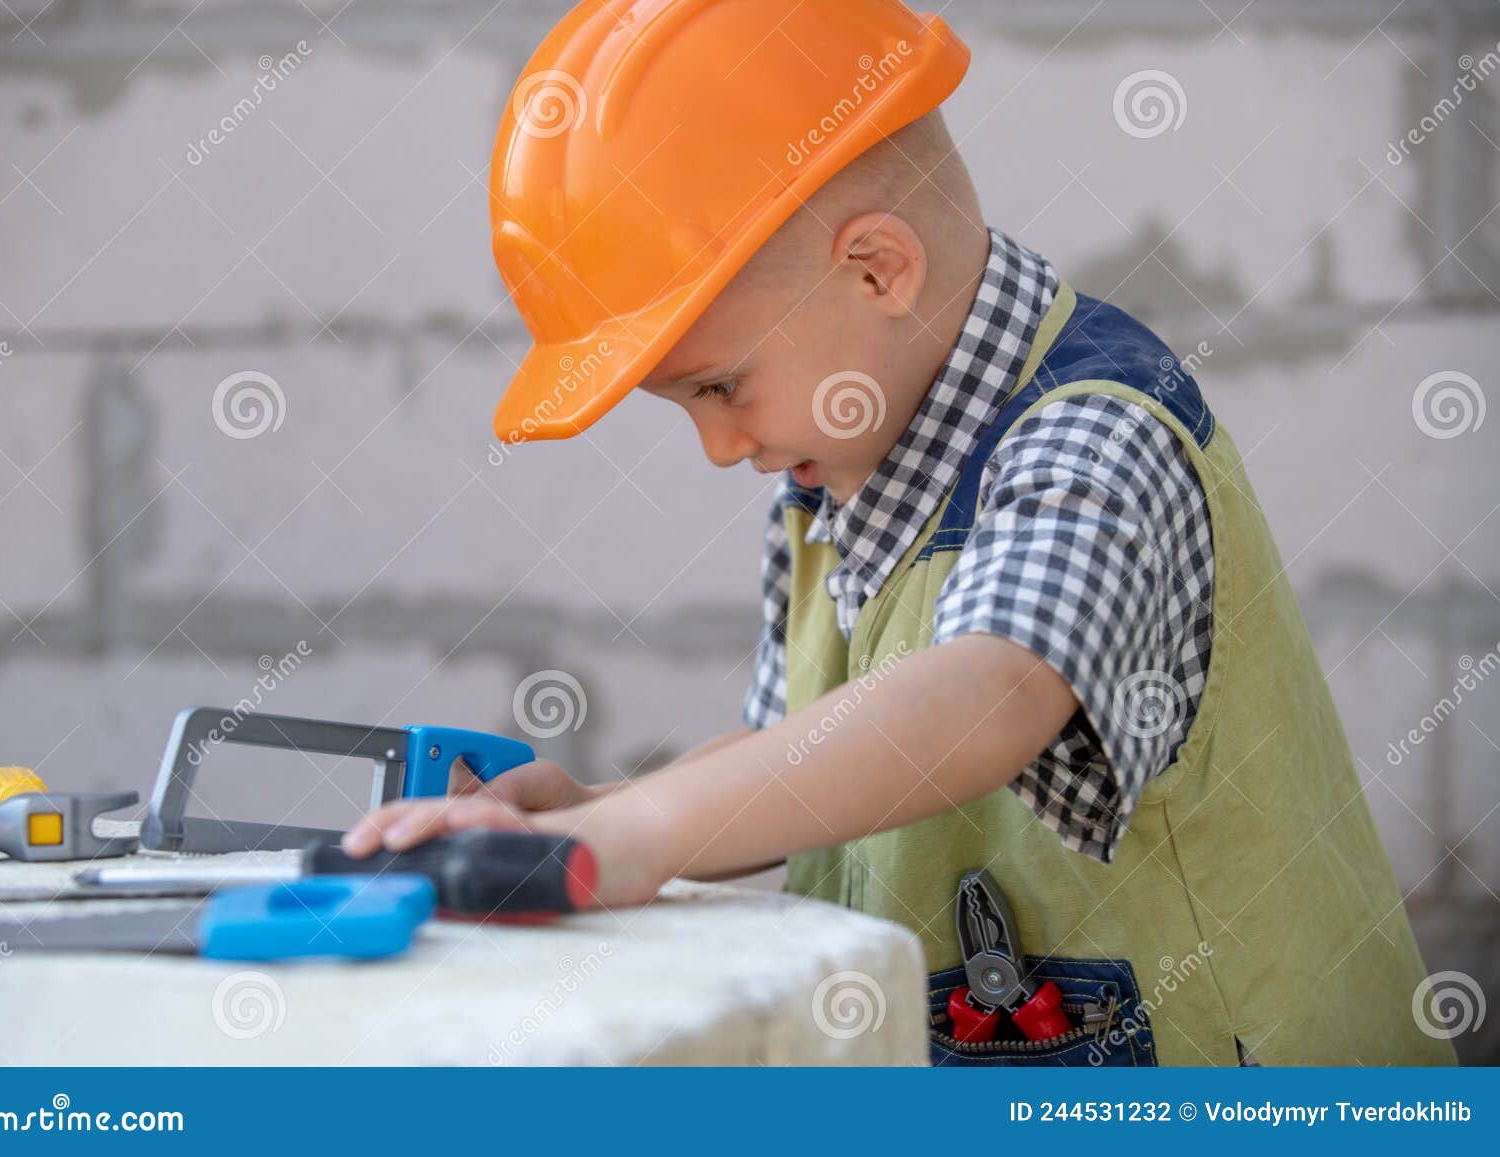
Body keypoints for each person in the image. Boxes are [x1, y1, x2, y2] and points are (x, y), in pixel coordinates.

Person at [344, 0, 1453, 1066]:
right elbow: (820, 745)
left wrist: (637, 844)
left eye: (720, 385)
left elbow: (984, 695)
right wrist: (608, 809)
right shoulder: (833, 481)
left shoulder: (1096, 440)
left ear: (877, 267)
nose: (718, 446)